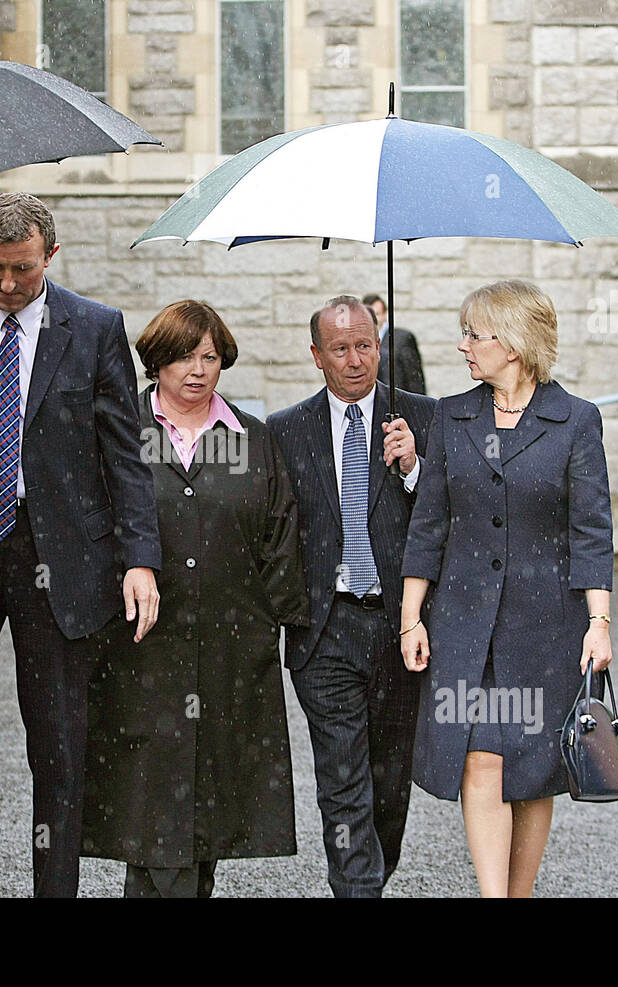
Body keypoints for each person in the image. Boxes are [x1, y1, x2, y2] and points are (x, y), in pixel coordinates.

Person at [0, 192, 162, 898]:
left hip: (63, 558)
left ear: (50, 255)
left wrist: (140, 558)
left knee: (59, 750)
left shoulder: (96, 326)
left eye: (21, 268)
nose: (9, 283)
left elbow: (124, 457)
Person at [82, 300, 309, 898]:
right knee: (150, 804)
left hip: (232, 651)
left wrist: (274, 623)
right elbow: (89, 524)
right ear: (156, 361)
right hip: (138, 648)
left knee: (208, 807)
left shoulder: (252, 440)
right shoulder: (118, 431)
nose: (197, 368)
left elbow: (279, 535)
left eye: (210, 356)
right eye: (183, 355)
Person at [399, 279, 614, 898]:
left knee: (532, 770)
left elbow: (591, 532)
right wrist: (413, 616)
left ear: (514, 344)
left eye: (474, 334)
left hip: (547, 627)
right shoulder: (451, 414)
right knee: (481, 757)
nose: (463, 345)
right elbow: (429, 522)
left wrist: (599, 623)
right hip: (465, 626)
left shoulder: (575, 420)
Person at [267, 295, 436, 897]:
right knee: (342, 781)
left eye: (365, 345)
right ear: (317, 355)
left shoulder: (420, 418)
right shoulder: (286, 431)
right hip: (326, 629)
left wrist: (413, 469)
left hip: (401, 627)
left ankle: (370, 879)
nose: (357, 359)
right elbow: (273, 527)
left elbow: (449, 522)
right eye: (340, 349)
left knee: (390, 784)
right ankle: (357, 890)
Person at [364, 292, 427, 395]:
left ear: (384, 315)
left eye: (377, 314)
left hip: (398, 402)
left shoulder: (402, 338)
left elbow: (415, 379)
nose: (373, 319)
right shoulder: (359, 343)